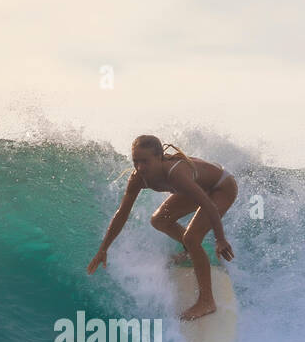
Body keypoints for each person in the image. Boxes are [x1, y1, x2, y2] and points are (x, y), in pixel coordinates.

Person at [86, 135, 236, 320]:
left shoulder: (176, 173)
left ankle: (207, 301)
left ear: (159, 157)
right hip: (199, 186)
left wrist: (220, 239)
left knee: (191, 238)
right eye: (136, 161)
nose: (140, 167)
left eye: (145, 161)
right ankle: (193, 252)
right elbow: (122, 213)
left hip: (221, 186)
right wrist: (103, 249)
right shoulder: (138, 178)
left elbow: (208, 205)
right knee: (159, 220)